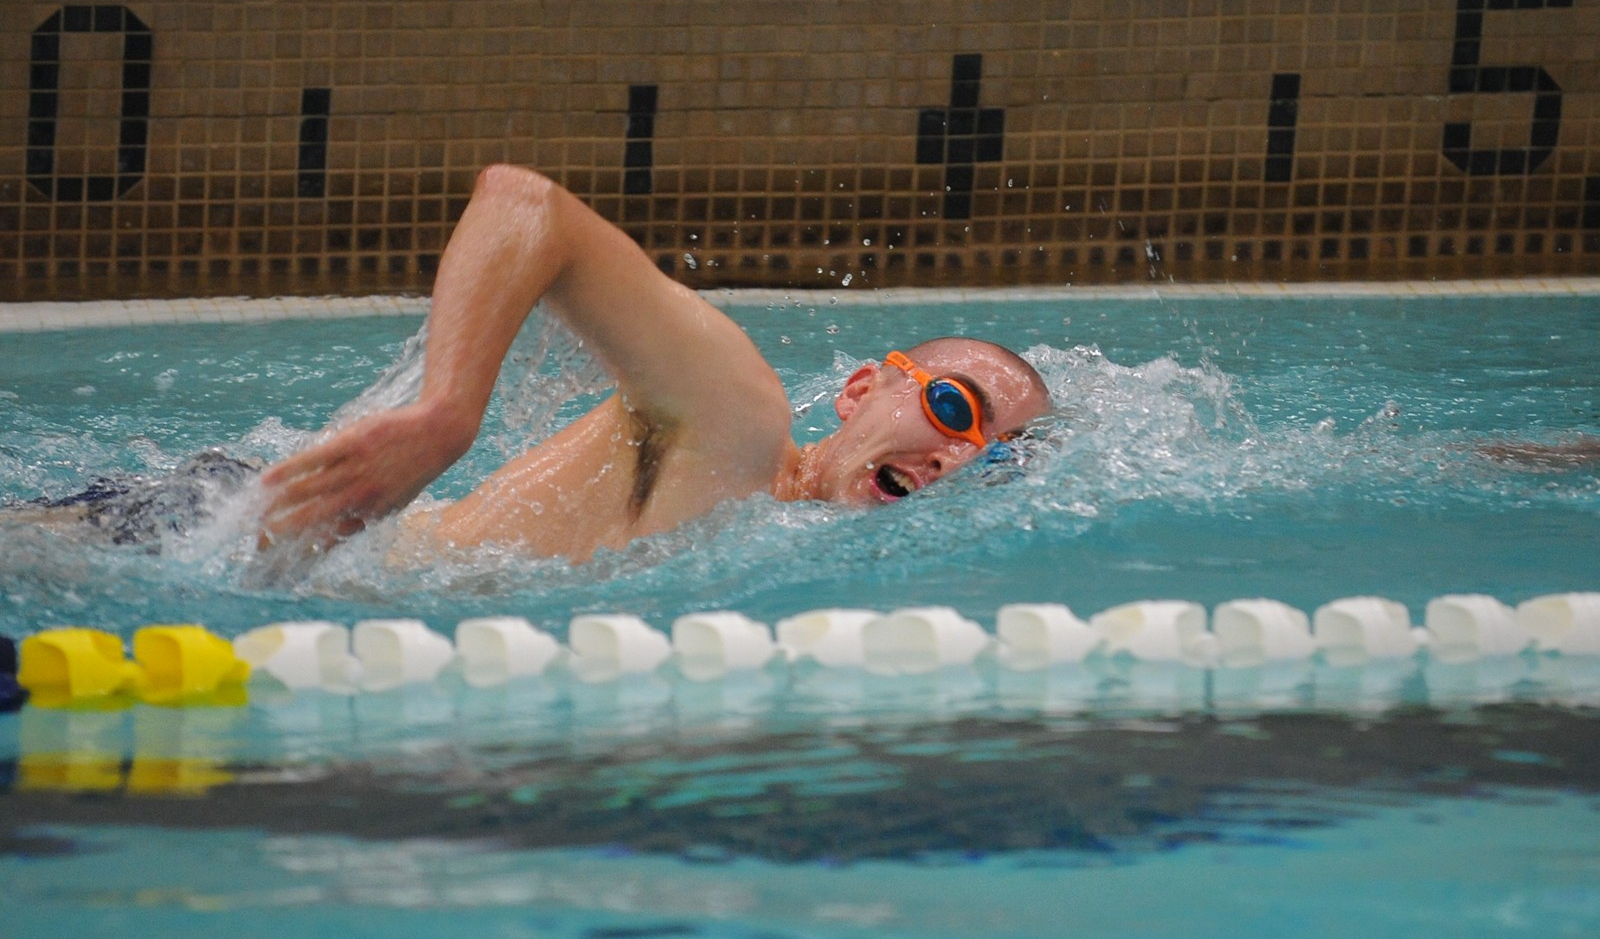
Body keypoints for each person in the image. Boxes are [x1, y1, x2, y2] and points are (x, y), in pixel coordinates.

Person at [260, 165, 1054, 563]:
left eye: (996, 454)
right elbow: (523, 203)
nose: (962, 453)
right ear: (857, 391)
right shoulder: (737, 422)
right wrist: (446, 416)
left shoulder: (785, 551)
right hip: (246, 524)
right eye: (955, 407)